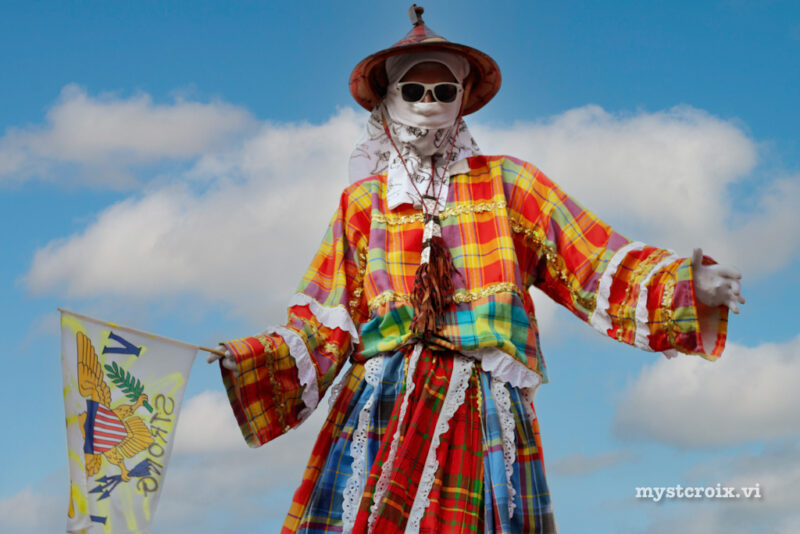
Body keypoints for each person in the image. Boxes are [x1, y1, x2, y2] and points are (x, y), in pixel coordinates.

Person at [209, 6, 744, 533]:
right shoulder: (363, 202)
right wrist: (250, 357)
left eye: (443, 92)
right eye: (414, 92)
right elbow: (325, 322)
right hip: (383, 404)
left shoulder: (509, 183)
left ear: (462, 101)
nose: (428, 103)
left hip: (480, 403)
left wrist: (685, 284)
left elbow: (592, 259)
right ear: (390, 100)